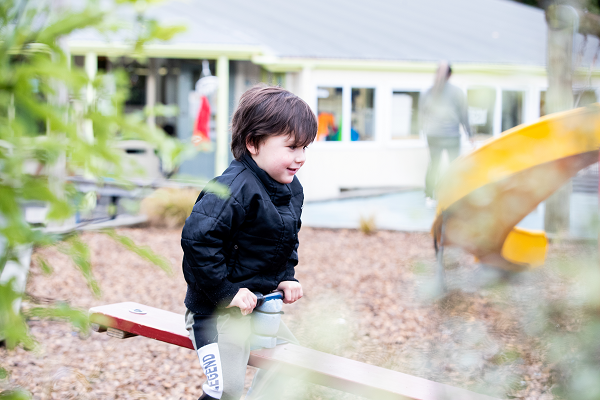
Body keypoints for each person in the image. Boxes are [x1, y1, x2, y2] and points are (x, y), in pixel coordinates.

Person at [181, 85, 317, 400]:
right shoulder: (230, 189)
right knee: (224, 389)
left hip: (258, 306)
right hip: (217, 314)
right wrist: (226, 292)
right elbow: (197, 242)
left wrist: (286, 275)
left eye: (305, 148)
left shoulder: (290, 189)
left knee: (291, 363)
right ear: (253, 144)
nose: (300, 158)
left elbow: (284, 239)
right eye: (292, 147)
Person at [419, 61, 473, 206]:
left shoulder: (429, 91)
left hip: (433, 135)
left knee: (434, 165)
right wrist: (470, 134)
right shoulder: (457, 92)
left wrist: (423, 131)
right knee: (453, 166)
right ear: (450, 75)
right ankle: (453, 197)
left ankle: (430, 196)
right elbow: (463, 114)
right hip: (451, 136)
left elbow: (422, 114)